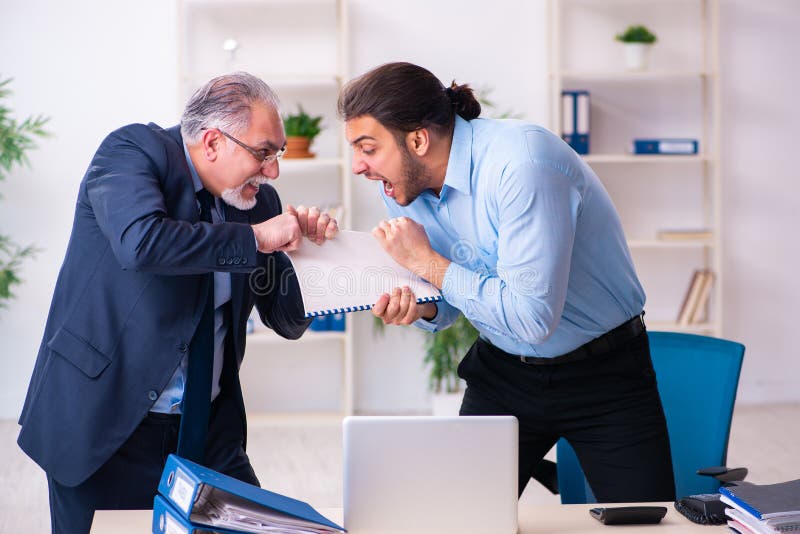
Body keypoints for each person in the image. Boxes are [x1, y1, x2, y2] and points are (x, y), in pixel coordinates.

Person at [338, 62, 676, 502]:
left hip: (605, 373)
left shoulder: (523, 165)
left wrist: (427, 263)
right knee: (461, 518)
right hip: (503, 372)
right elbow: (452, 298)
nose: (358, 167)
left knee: (645, 521)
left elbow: (532, 319)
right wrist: (423, 305)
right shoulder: (402, 187)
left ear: (418, 140)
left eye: (368, 148)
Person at [17, 72, 338, 534]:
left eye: (278, 154)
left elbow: (284, 317)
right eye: (264, 153)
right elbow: (142, 243)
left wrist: (314, 261)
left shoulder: (259, 202)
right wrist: (255, 238)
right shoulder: (132, 153)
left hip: (206, 432)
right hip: (106, 424)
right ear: (212, 142)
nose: (273, 171)